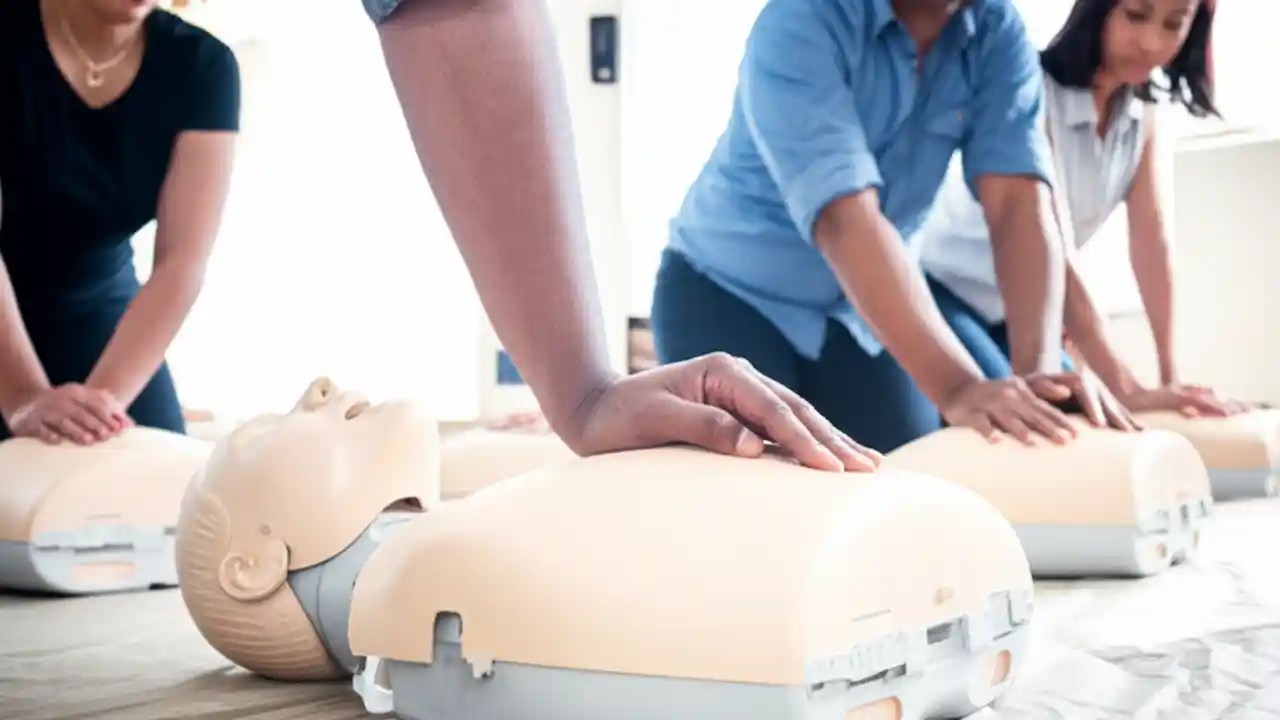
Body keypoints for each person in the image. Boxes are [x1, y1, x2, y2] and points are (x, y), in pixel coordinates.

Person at [360, 0, 879, 472]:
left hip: (841, 311)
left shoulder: (962, 44)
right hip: (723, 278)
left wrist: (583, 395)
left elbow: (465, 13)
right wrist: (582, 395)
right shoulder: (807, 23)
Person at [650, 0, 1137, 453]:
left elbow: (1018, 204)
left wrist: (1039, 378)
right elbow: (844, 220)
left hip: (858, 313)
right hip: (728, 291)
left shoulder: (996, 31)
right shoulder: (801, 20)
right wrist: (960, 387)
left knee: (911, 477)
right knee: (753, 484)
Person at [918, 0, 1245, 417]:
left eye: (1173, 24)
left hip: (1022, 312)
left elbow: (1152, 244)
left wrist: (1169, 375)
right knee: (1018, 418)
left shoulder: (1144, 116)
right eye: (1136, 15)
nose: (1151, 42)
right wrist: (1126, 386)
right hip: (948, 290)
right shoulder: (1029, 85)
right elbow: (1053, 246)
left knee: (1083, 416)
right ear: (1098, 10)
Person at [0, 0, 239, 446]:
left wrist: (99, 407)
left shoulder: (202, 65)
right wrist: (23, 397)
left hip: (97, 310)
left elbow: (182, 262)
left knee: (151, 488)